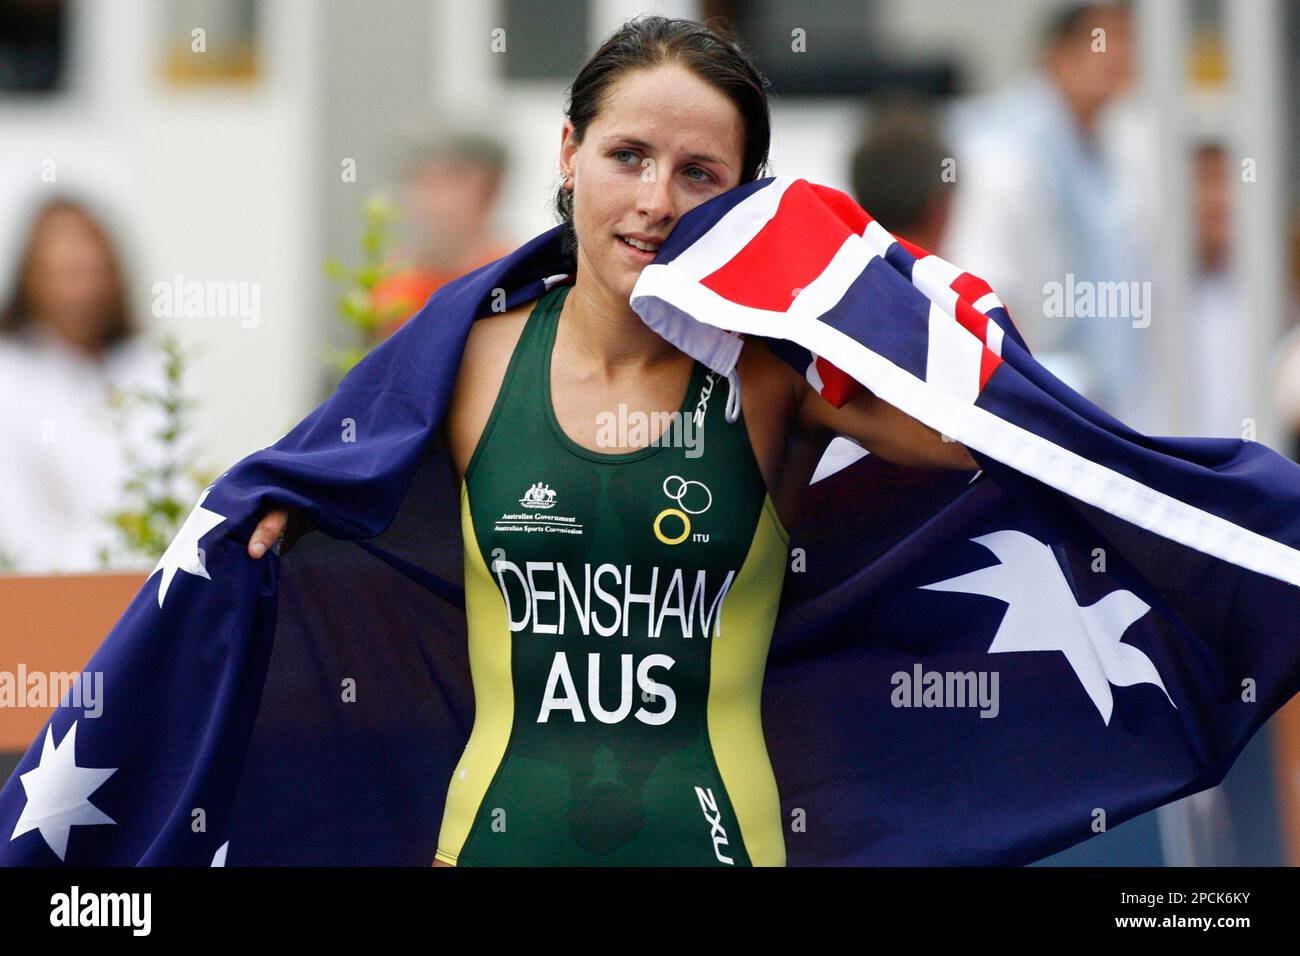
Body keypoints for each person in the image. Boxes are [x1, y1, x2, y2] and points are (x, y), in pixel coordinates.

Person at [247, 15, 977, 867]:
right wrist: (274, 519)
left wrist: (837, 271)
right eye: (627, 156)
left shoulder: (774, 376)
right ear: (568, 152)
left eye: (698, 173)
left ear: (746, 195)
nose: (655, 201)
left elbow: (983, 439)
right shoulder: (465, 358)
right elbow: (326, 481)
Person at [0, 196, 162, 573]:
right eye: (67, 270)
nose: (83, 286)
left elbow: (179, 489)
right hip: (54, 597)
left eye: (91, 268)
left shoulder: (149, 367)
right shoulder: (9, 376)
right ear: (31, 276)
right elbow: (20, 532)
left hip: (156, 592)